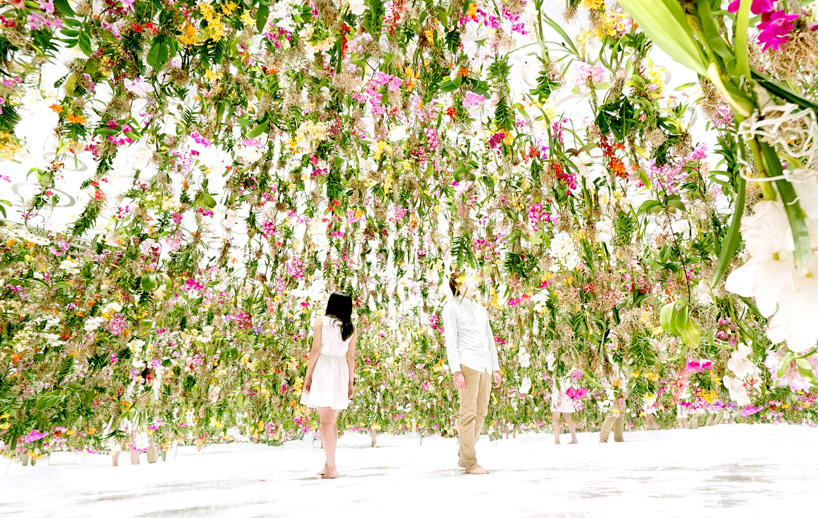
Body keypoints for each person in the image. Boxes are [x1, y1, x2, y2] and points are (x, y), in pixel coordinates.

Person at [442, 271, 501, 475]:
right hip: (467, 364)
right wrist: (456, 371)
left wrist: (495, 367)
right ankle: (469, 461)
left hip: (483, 364)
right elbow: (451, 341)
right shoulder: (451, 307)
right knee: (468, 413)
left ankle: (464, 453)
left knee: (481, 412)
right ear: (458, 284)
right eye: (468, 279)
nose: (474, 281)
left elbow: (489, 339)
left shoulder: (480, 309)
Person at [301, 293, 357, 479]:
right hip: (340, 370)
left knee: (326, 422)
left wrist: (308, 376)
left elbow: (315, 350)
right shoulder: (350, 327)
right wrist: (350, 381)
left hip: (325, 369)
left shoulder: (321, 322)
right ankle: (328, 463)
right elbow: (350, 357)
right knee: (331, 421)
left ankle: (332, 467)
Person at [551, 374, 580, 444]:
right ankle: (574, 438)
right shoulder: (568, 371)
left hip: (560, 395)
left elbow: (559, 385)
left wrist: (558, 397)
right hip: (566, 395)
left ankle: (557, 440)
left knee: (555, 418)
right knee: (567, 416)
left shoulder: (559, 369)